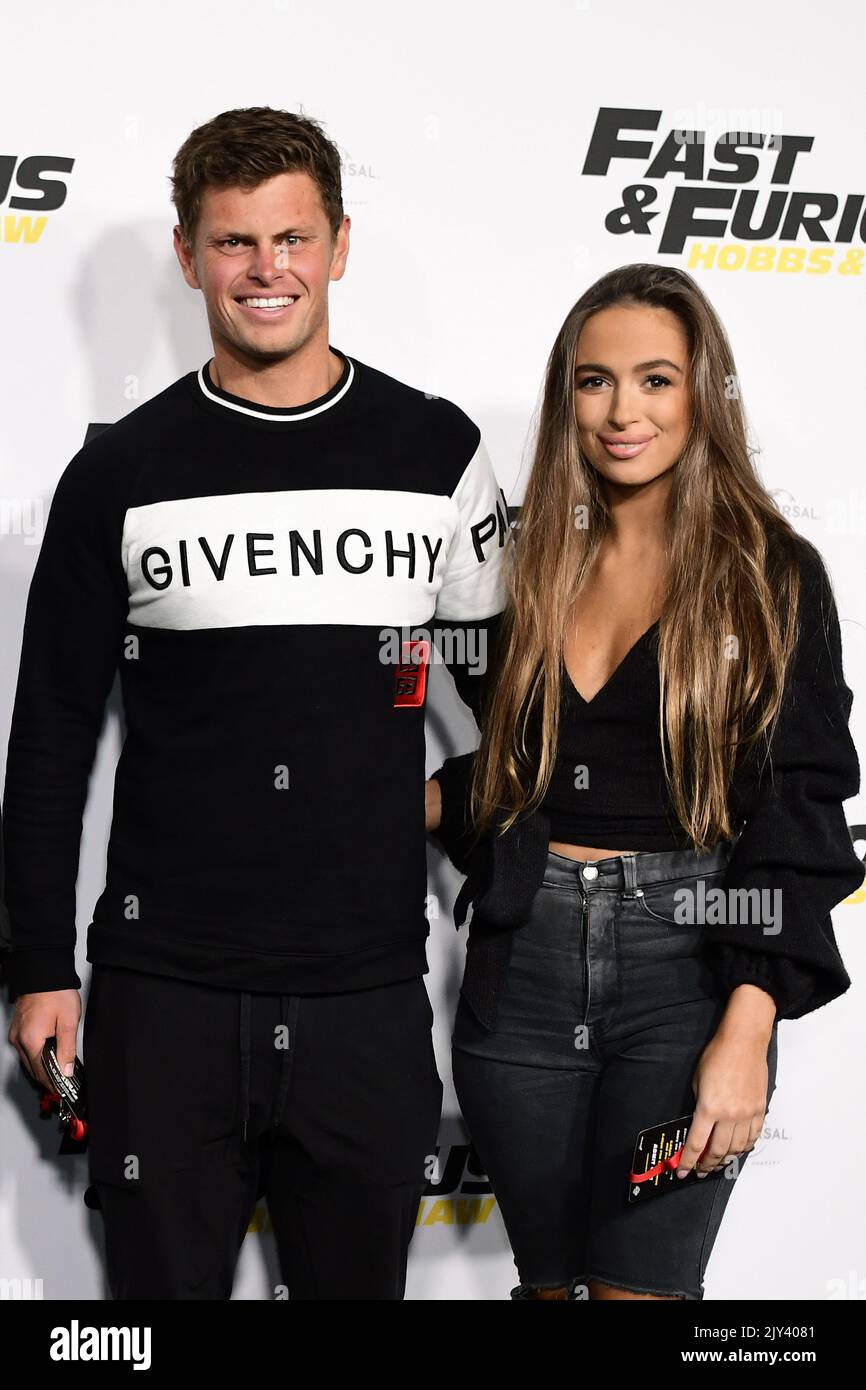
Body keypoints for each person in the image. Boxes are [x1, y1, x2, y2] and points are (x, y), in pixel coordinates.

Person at [2, 105, 508, 1300]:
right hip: (161, 1000)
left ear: (338, 243)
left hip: (365, 1002)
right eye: (234, 243)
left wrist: (420, 808)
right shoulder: (117, 472)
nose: (265, 270)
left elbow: (524, 716)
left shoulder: (434, 453)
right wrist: (35, 967)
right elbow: (50, 734)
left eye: (290, 238)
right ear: (188, 256)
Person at [425, 263, 863, 1301]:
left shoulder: (769, 573)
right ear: (563, 396)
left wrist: (745, 1027)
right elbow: (514, 770)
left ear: (700, 393)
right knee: (546, 1288)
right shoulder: (521, 561)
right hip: (521, 964)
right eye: (594, 381)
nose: (622, 411)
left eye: (655, 380)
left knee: (643, 1296)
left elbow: (799, 801)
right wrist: (382, 797)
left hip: (688, 966)